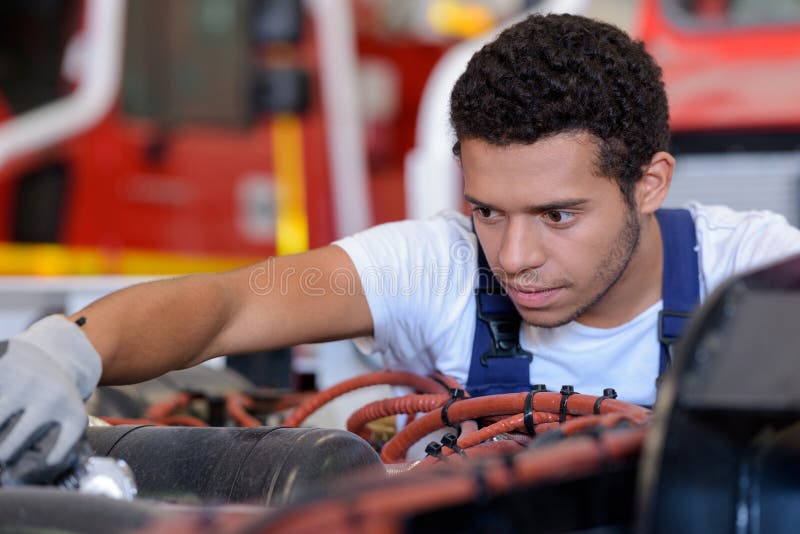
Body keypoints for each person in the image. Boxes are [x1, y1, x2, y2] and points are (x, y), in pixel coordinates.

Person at [2, 13, 799, 486]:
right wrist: (69, 350)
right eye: (488, 209)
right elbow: (227, 305)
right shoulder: (437, 266)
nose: (514, 255)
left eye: (558, 215)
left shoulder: (756, 273)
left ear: (650, 183)